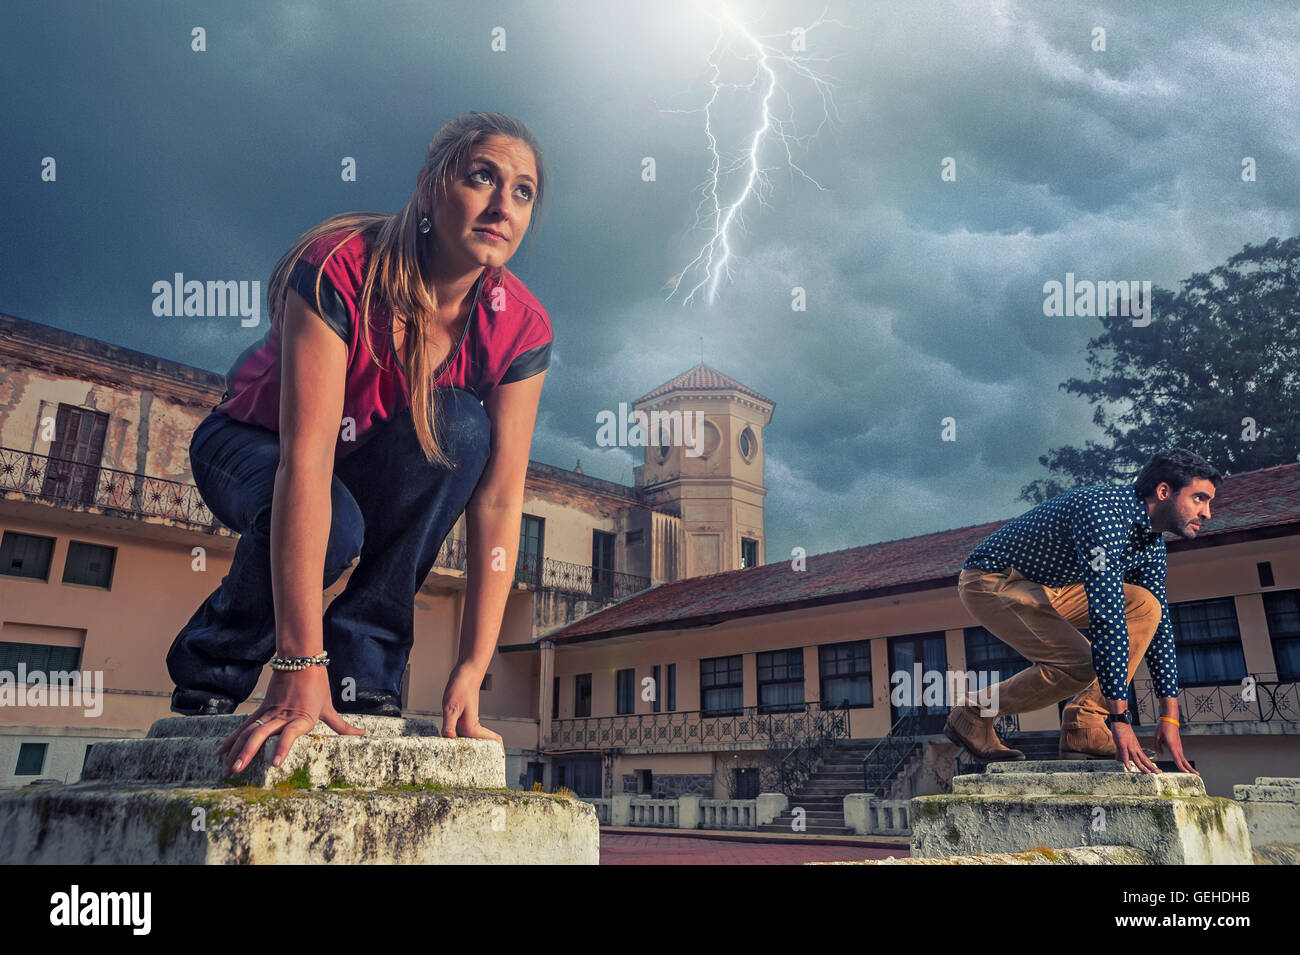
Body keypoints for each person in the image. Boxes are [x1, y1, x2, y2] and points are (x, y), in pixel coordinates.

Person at [164, 112, 553, 776]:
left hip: (362, 462)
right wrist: (296, 663)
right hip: (253, 445)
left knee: (461, 427)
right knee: (337, 528)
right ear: (432, 187)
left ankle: (364, 670)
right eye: (482, 176)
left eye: (522, 191)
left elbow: (498, 505)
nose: (501, 204)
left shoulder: (520, 325)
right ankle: (215, 665)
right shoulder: (341, 264)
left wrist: (471, 669)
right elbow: (306, 459)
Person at [946, 449, 1221, 775]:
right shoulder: (1104, 512)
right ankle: (974, 711)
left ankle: (1085, 723)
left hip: (1055, 587)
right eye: (1199, 499)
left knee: (1148, 606)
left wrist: (1169, 717)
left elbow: (1160, 629)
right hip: (996, 579)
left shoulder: (1151, 543)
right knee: (1080, 663)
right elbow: (1108, 616)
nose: (1207, 513)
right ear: (1163, 491)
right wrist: (1121, 719)